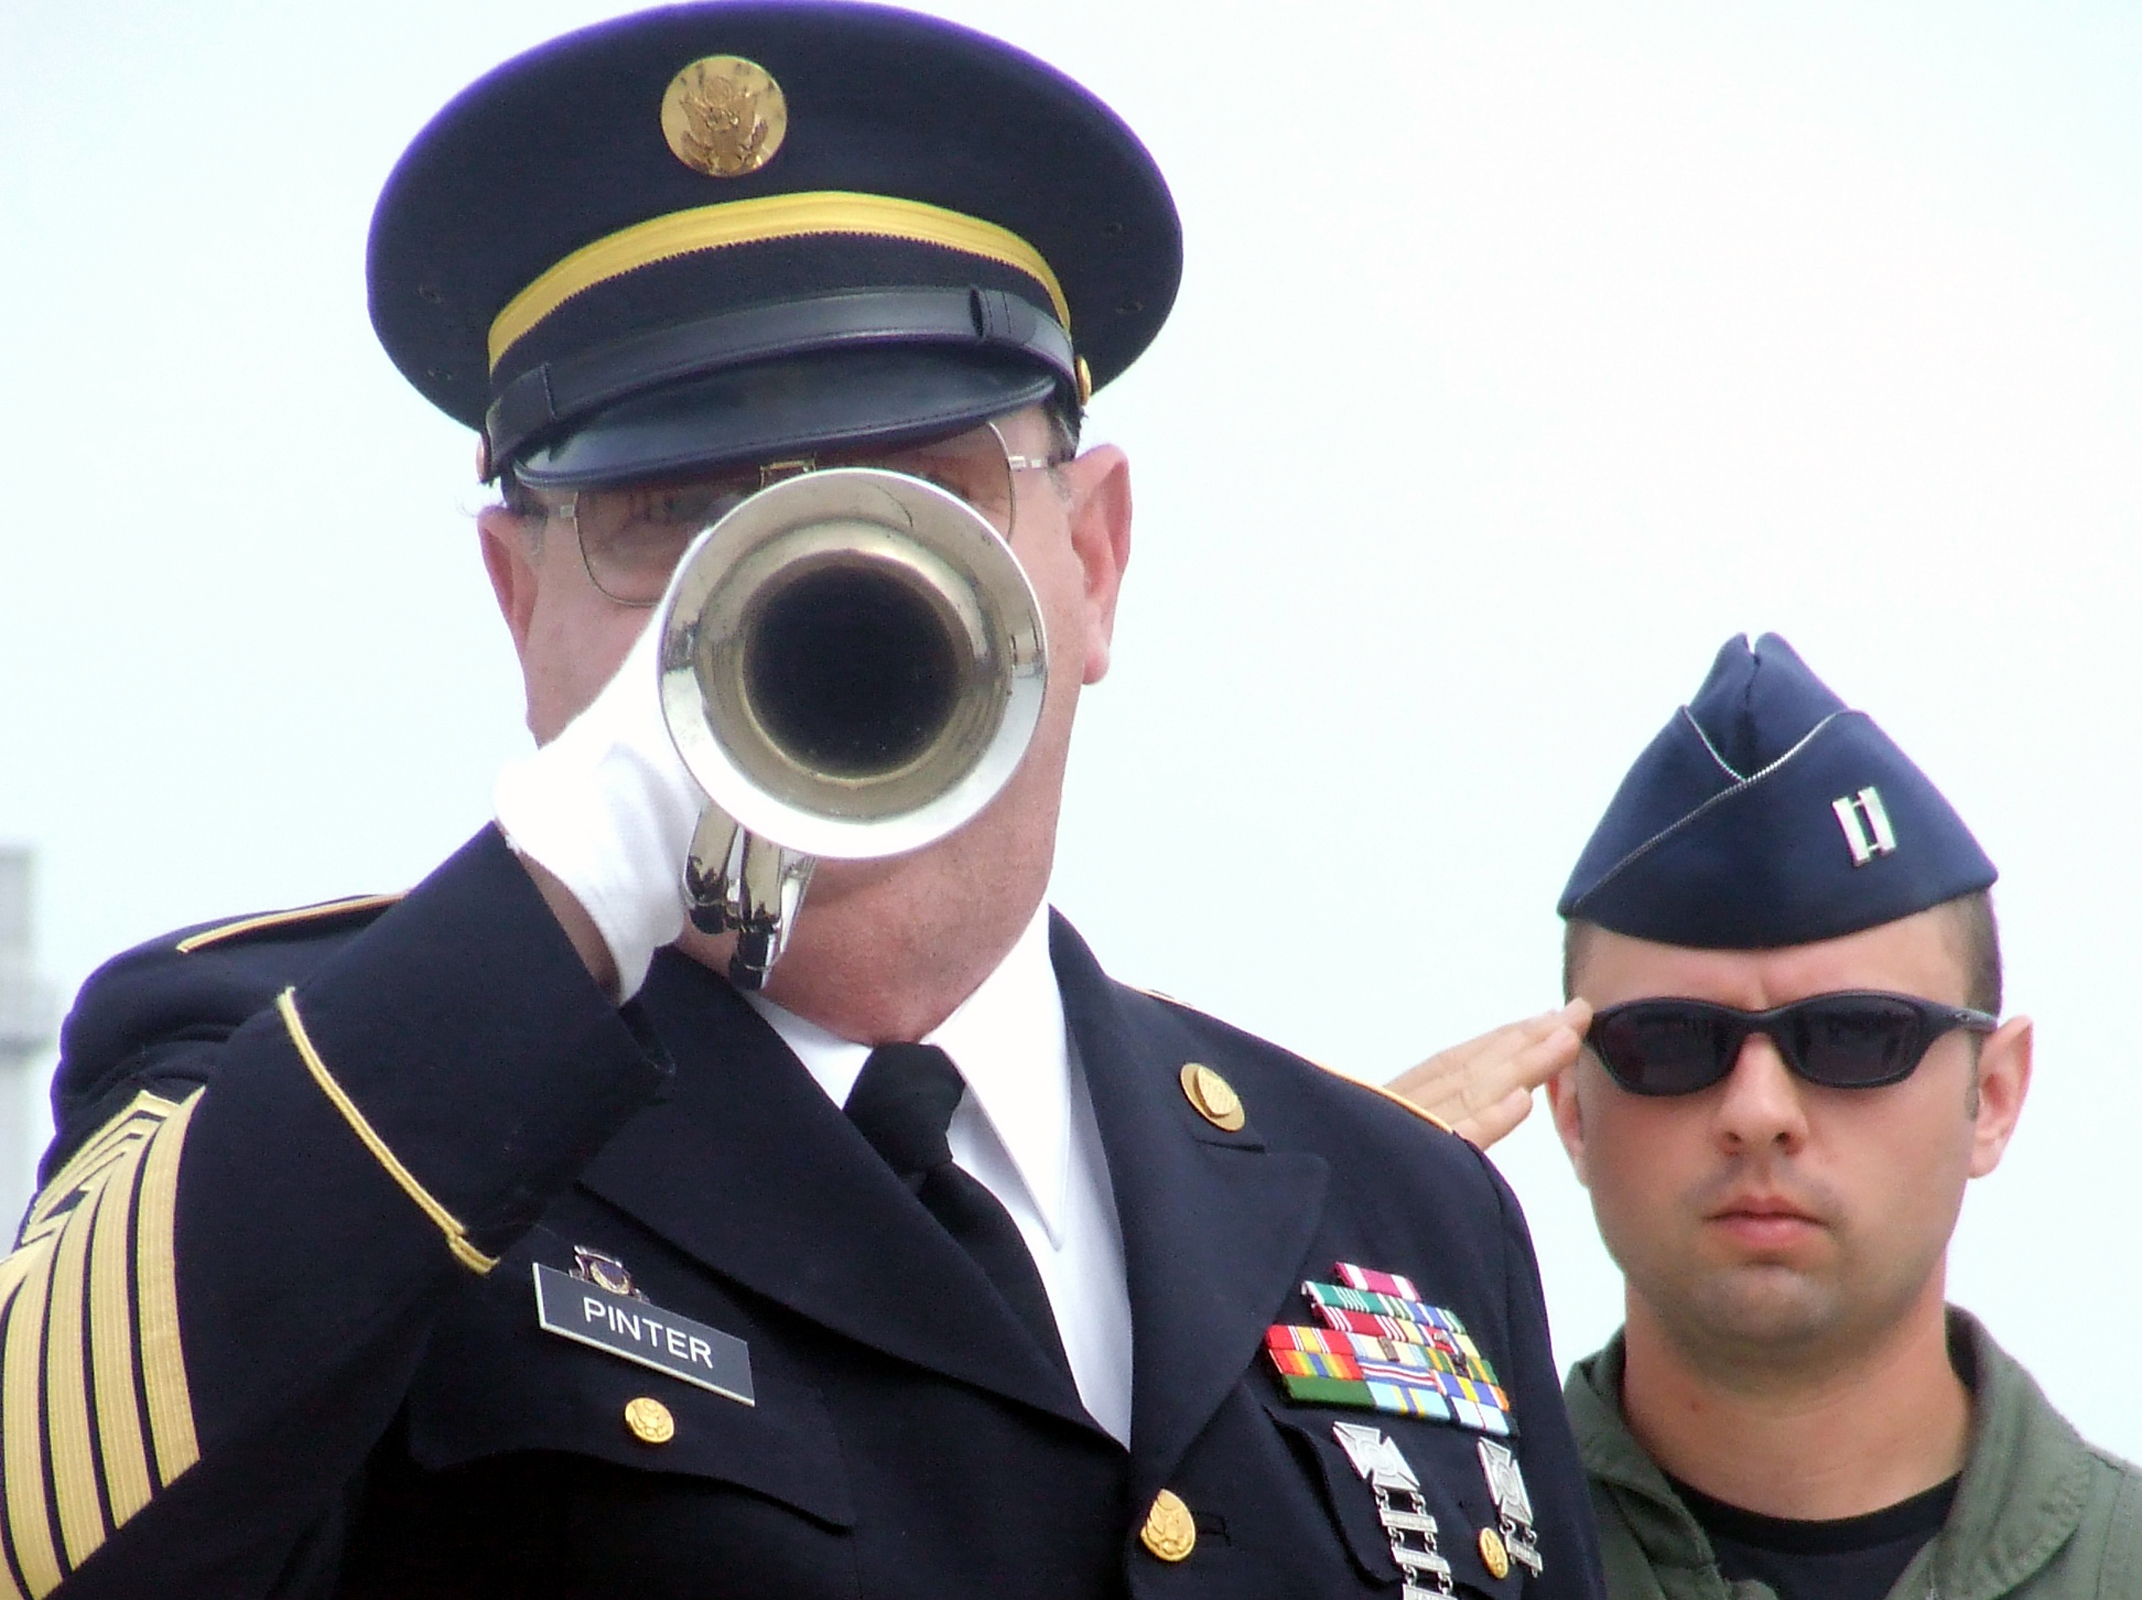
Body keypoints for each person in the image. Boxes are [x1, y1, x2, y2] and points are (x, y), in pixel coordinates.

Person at [0, 8, 1604, 1597]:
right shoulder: (293, 1077)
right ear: (517, 604)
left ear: (1093, 561)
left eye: (917, 497)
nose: (806, 589)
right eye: (674, 517)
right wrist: (588, 863)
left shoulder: (1399, 1218)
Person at [1402, 633, 2142, 1600]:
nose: (1757, 1114)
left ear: (1993, 1096)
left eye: (1854, 1036)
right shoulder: (1399, 1563)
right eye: (1670, 1041)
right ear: (1571, 1107)